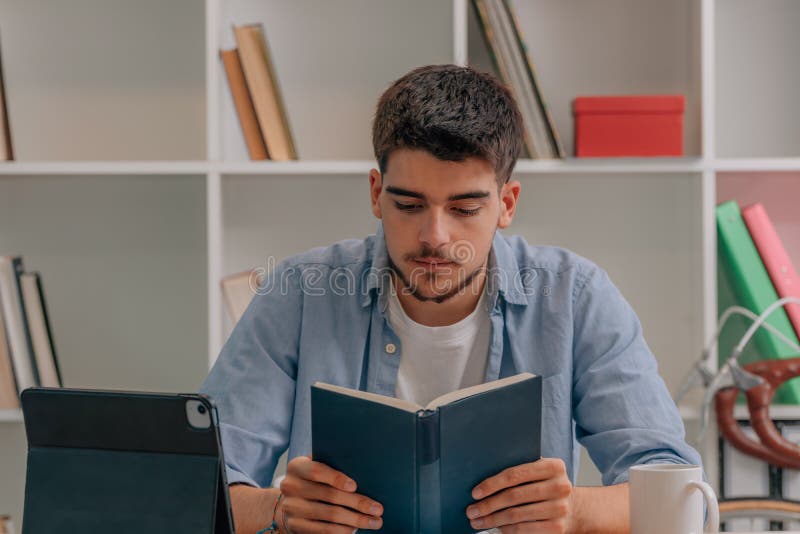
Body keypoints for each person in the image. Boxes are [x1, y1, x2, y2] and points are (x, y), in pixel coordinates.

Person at [200, 64, 701, 534]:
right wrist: (278, 509)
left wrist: (576, 510)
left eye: (464, 208)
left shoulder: (576, 296)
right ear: (376, 193)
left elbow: (678, 490)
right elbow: (199, 488)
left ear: (506, 204)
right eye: (408, 205)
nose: (434, 236)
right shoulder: (299, 292)